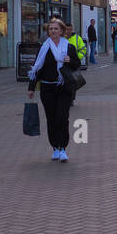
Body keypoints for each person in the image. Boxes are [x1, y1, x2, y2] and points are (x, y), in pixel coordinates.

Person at [27, 17, 80, 163]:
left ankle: (63, 148)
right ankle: (55, 148)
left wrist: (70, 60)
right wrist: (31, 87)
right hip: (47, 88)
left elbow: (77, 65)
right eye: (51, 29)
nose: (53, 31)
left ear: (62, 31)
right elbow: (36, 68)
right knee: (51, 119)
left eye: (56, 28)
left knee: (62, 118)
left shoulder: (69, 47)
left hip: (64, 88)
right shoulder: (44, 48)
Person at [65, 24, 88, 106]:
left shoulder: (77, 38)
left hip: (73, 64)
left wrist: (78, 57)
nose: (68, 31)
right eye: (66, 29)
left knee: (73, 81)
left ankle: (71, 99)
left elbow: (83, 49)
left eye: (70, 29)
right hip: (63, 65)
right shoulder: (61, 39)